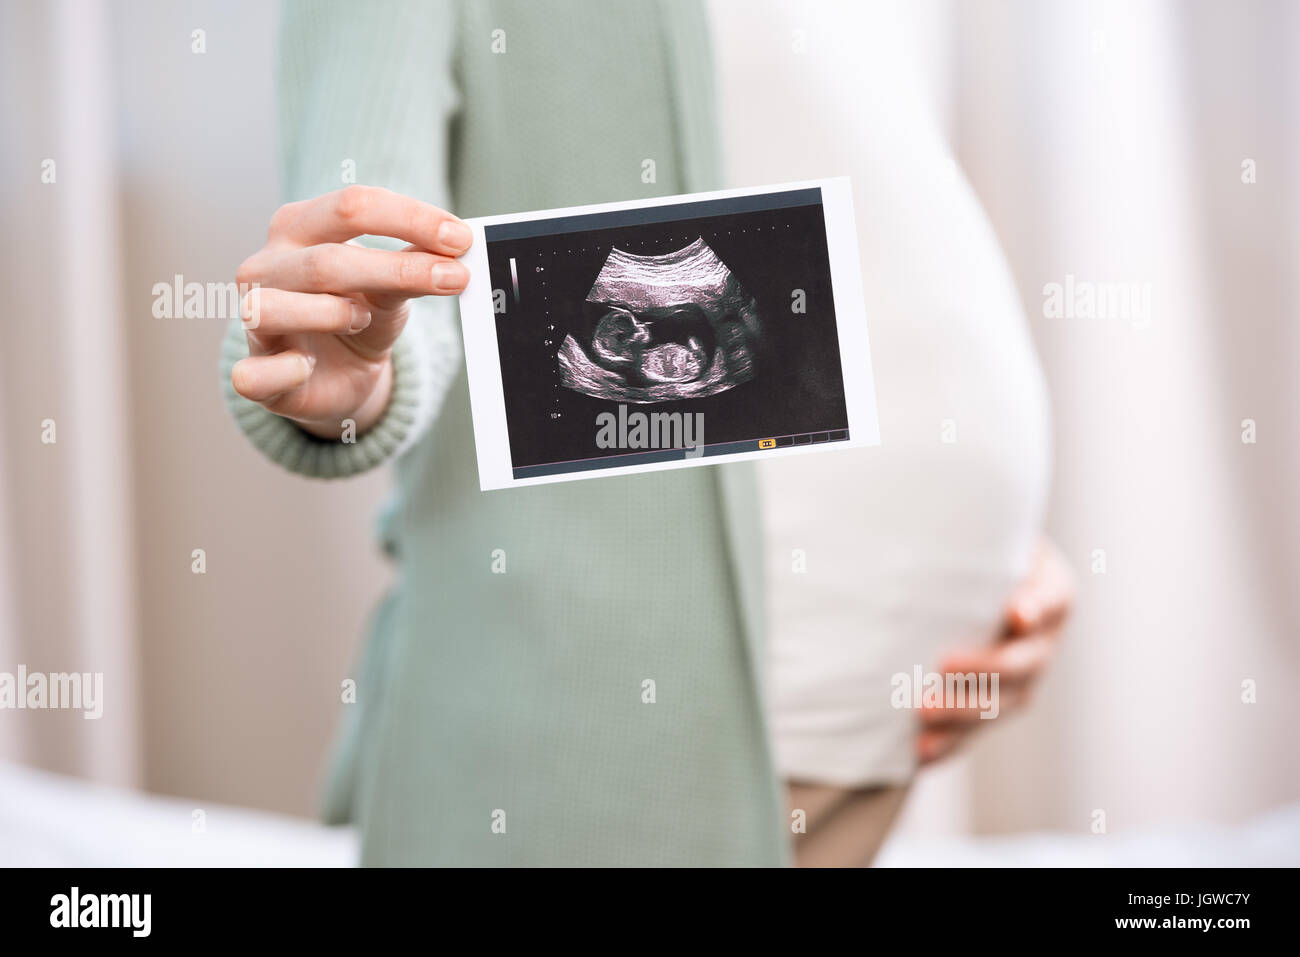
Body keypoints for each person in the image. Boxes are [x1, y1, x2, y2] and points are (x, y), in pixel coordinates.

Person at [226, 0, 1069, 866]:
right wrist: (349, 368)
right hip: (630, 711)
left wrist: (998, 555)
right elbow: (371, 249)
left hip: (880, 697)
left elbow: (860, 190)